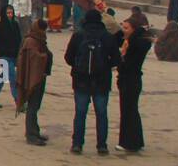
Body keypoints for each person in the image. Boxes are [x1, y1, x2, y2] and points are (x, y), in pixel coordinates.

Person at [64, 9, 122, 155]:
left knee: (80, 113)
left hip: (81, 80)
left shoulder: (78, 35)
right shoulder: (107, 37)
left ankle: (77, 144)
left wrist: (78, 66)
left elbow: (68, 57)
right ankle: (102, 145)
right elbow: (116, 60)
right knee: (101, 114)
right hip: (102, 81)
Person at [116, 18, 151, 154]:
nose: (124, 31)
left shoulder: (136, 44)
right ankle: (134, 140)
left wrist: (120, 60)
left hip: (130, 80)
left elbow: (127, 64)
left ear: (134, 29)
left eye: (126, 28)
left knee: (128, 111)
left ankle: (129, 142)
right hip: (131, 79)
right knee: (130, 110)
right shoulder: (134, 42)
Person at [15, 20, 52, 146]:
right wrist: (45, 56)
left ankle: (35, 131)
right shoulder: (30, 41)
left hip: (39, 77)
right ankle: (31, 135)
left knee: (35, 107)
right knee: (32, 107)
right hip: (32, 78)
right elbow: (33, 59)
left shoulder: (39, 39)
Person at [0, 5, 22, 109]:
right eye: (8, 13)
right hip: (4, 56)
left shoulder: (15, 25)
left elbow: (19, 40)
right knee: (13, 78)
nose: (10, 15)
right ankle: (19, 101)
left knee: (2, 77)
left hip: (14, 56)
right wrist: (4, 49)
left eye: (11, 13)